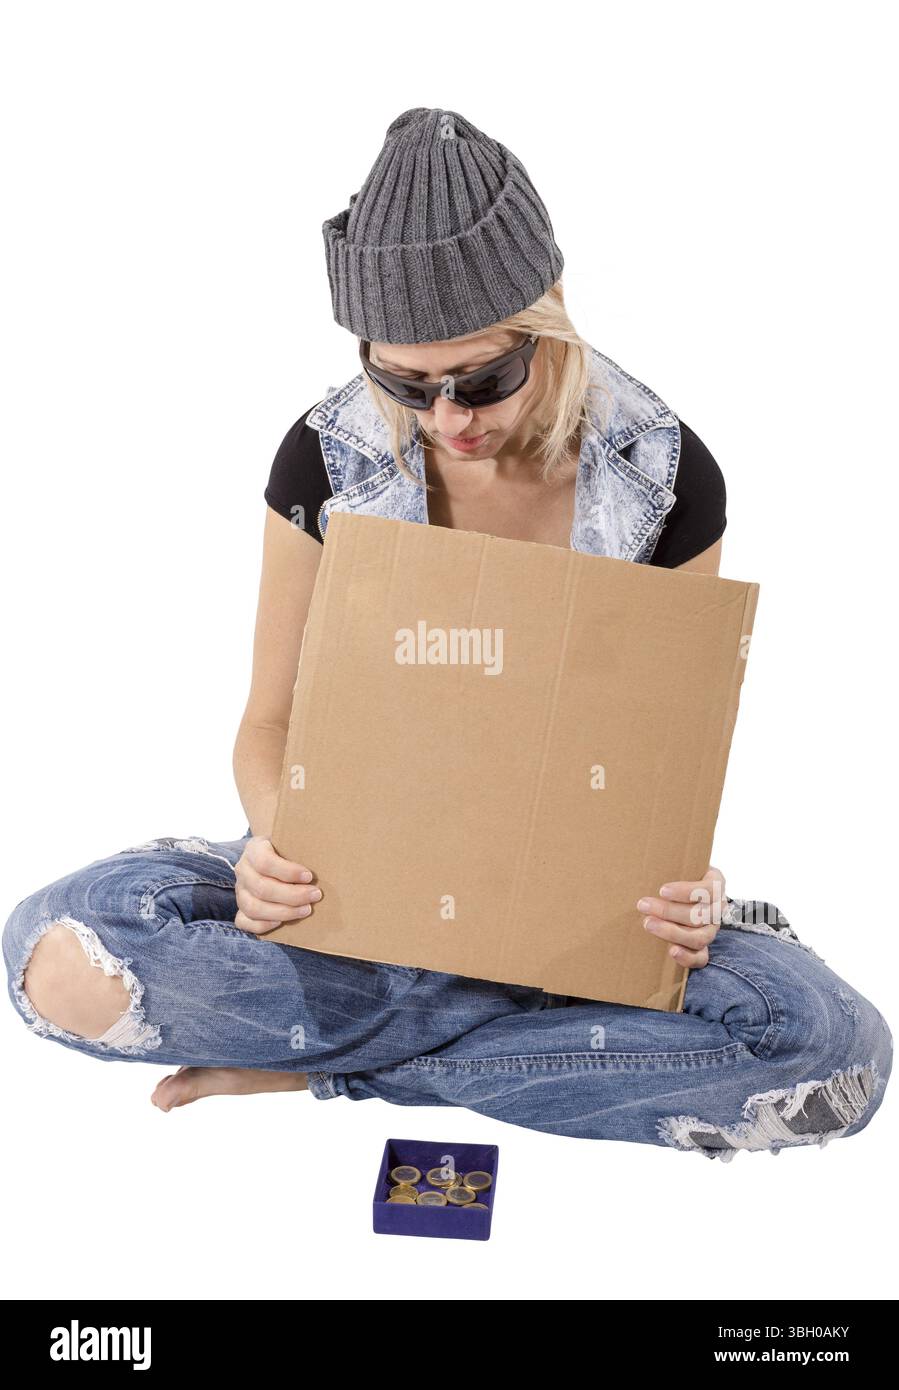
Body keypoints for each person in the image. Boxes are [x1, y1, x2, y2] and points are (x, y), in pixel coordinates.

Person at [3, 108, 892, 1161]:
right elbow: (269, 720)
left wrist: (681, 882)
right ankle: (539, 1060)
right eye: (404, 384)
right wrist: (275, 842)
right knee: (55, 955)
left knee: (830, 1056)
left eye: (483, 380)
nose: (447, 420)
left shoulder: (662, 477)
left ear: (547, 321)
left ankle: (335, 1064)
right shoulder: (322, 461)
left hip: (568, 921)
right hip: (362, 901)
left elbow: (661, 766)